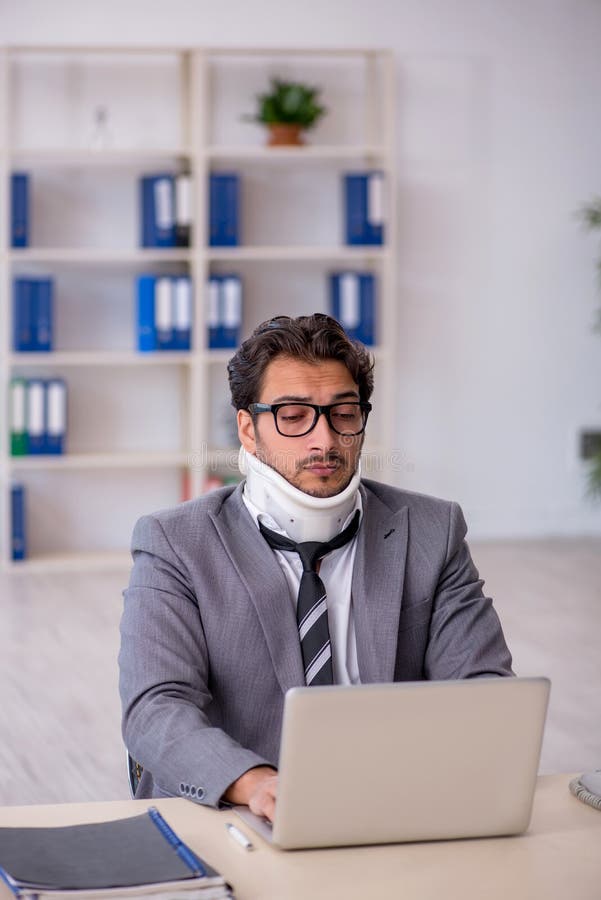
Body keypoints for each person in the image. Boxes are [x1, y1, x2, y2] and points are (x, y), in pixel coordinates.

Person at [119, 313, 513, 823]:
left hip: (394, 805)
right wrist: (254, 785)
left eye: (343, 413)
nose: (324, 440)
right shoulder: (175, 542)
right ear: (248, 427)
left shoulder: (433, 530)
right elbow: (156, 707)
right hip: (241, 813)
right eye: (293, 415)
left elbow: (486, 690)